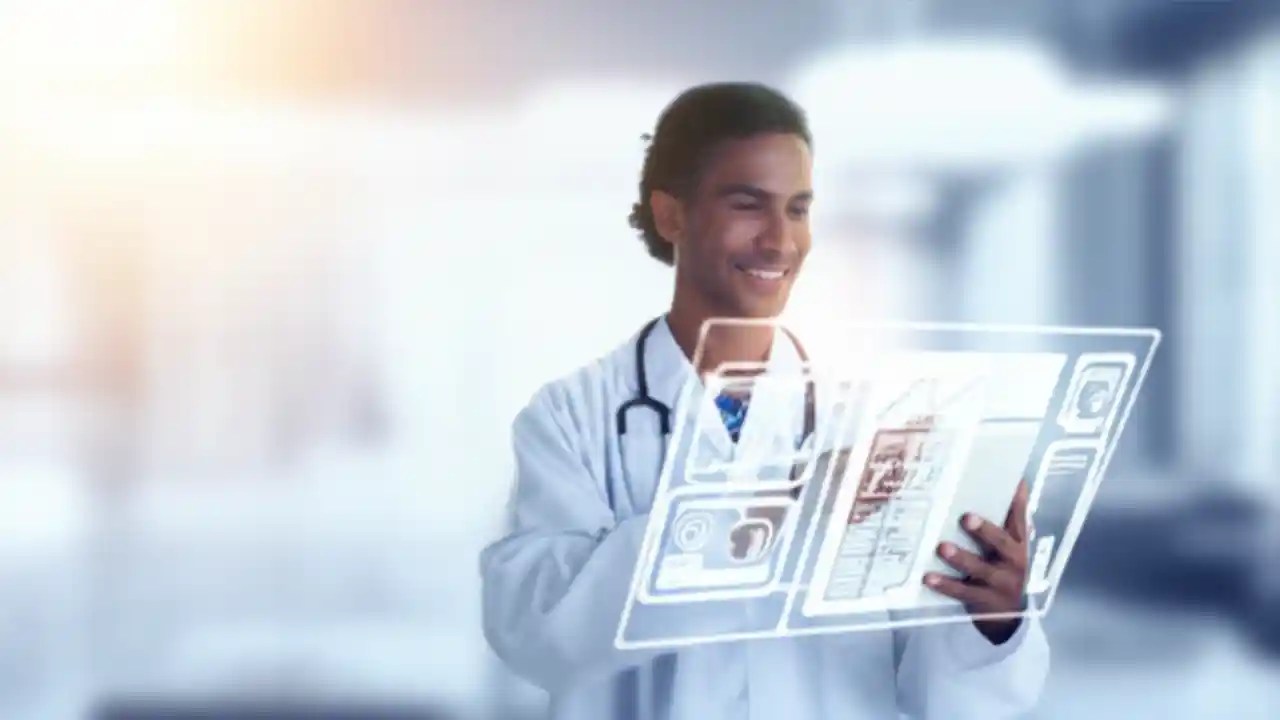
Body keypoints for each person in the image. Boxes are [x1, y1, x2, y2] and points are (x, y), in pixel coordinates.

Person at [480, 82, 1048, 719]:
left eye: (798, 210)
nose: (780, 241)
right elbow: (539, 637)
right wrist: (783, 503)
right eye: (748, 206)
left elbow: (946, 702)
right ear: (672, 216)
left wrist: (990, 618)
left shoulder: (871, 419)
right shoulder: (572, 419)